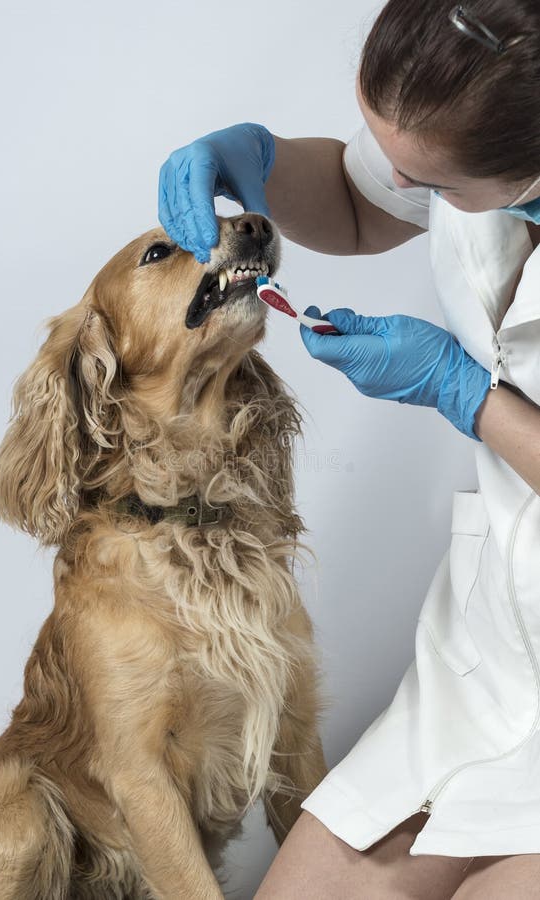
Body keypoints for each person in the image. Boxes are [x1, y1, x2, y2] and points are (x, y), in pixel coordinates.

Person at [158, 1, 540, 896]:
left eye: (434, 186)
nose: (405, 189)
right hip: (490, 656)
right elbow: (359, 202)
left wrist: (468, 397)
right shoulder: (477, 139)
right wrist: (252, 159)